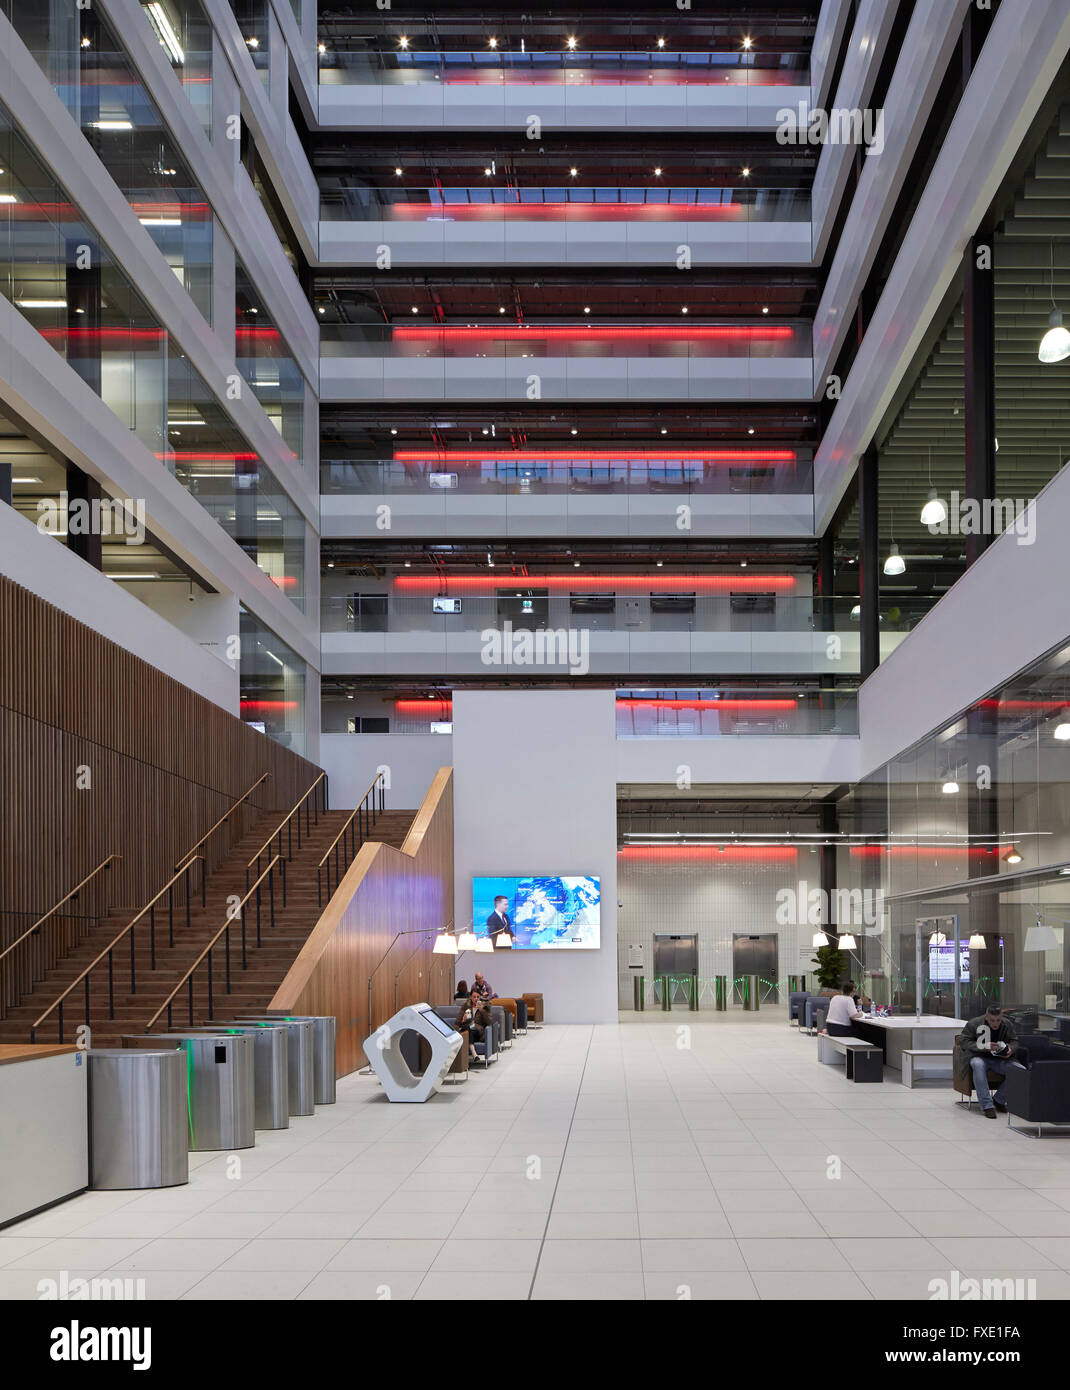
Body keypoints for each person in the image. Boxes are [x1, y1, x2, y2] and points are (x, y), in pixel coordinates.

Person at [960, 1003, 1018, 1118]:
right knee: (978, 1064)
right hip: (979, 1056)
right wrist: (984, 1046)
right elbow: (964, 1042)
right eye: (992, 1020)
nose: (995, 1023)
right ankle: (987, 1106)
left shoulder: (1007, 1024)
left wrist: (1010, 1049)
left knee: (1020, 1071)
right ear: (986, 1017)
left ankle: (999, 1099)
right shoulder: (974, 1023)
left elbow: (1014, 1041)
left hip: (1000, 1059)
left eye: (998, 1020)